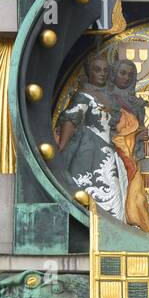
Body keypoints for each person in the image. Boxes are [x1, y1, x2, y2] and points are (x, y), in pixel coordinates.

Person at [54, 54, 127, 220]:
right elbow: (71, 119)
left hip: (108, 151)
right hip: (89, 152)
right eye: (97, 69)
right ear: (89, 72)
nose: (102, 73)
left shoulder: (109, 97)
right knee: (94, 192)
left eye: (106, 70)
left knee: (115, 196)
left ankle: (111, 230)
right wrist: (61, 147)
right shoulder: (84, 96)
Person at [109, 59, 149, 234]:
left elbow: (135, 125)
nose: (126, 77)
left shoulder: (135, 102)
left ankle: (139, 225)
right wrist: (134, 134)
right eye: (123, 73)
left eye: (130, 74)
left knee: (135, 191)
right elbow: (108, 131)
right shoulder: (108, 99)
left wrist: (140, 136)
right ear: (113, 74)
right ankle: (127, 222)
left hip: (131, 151)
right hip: (118, 152)